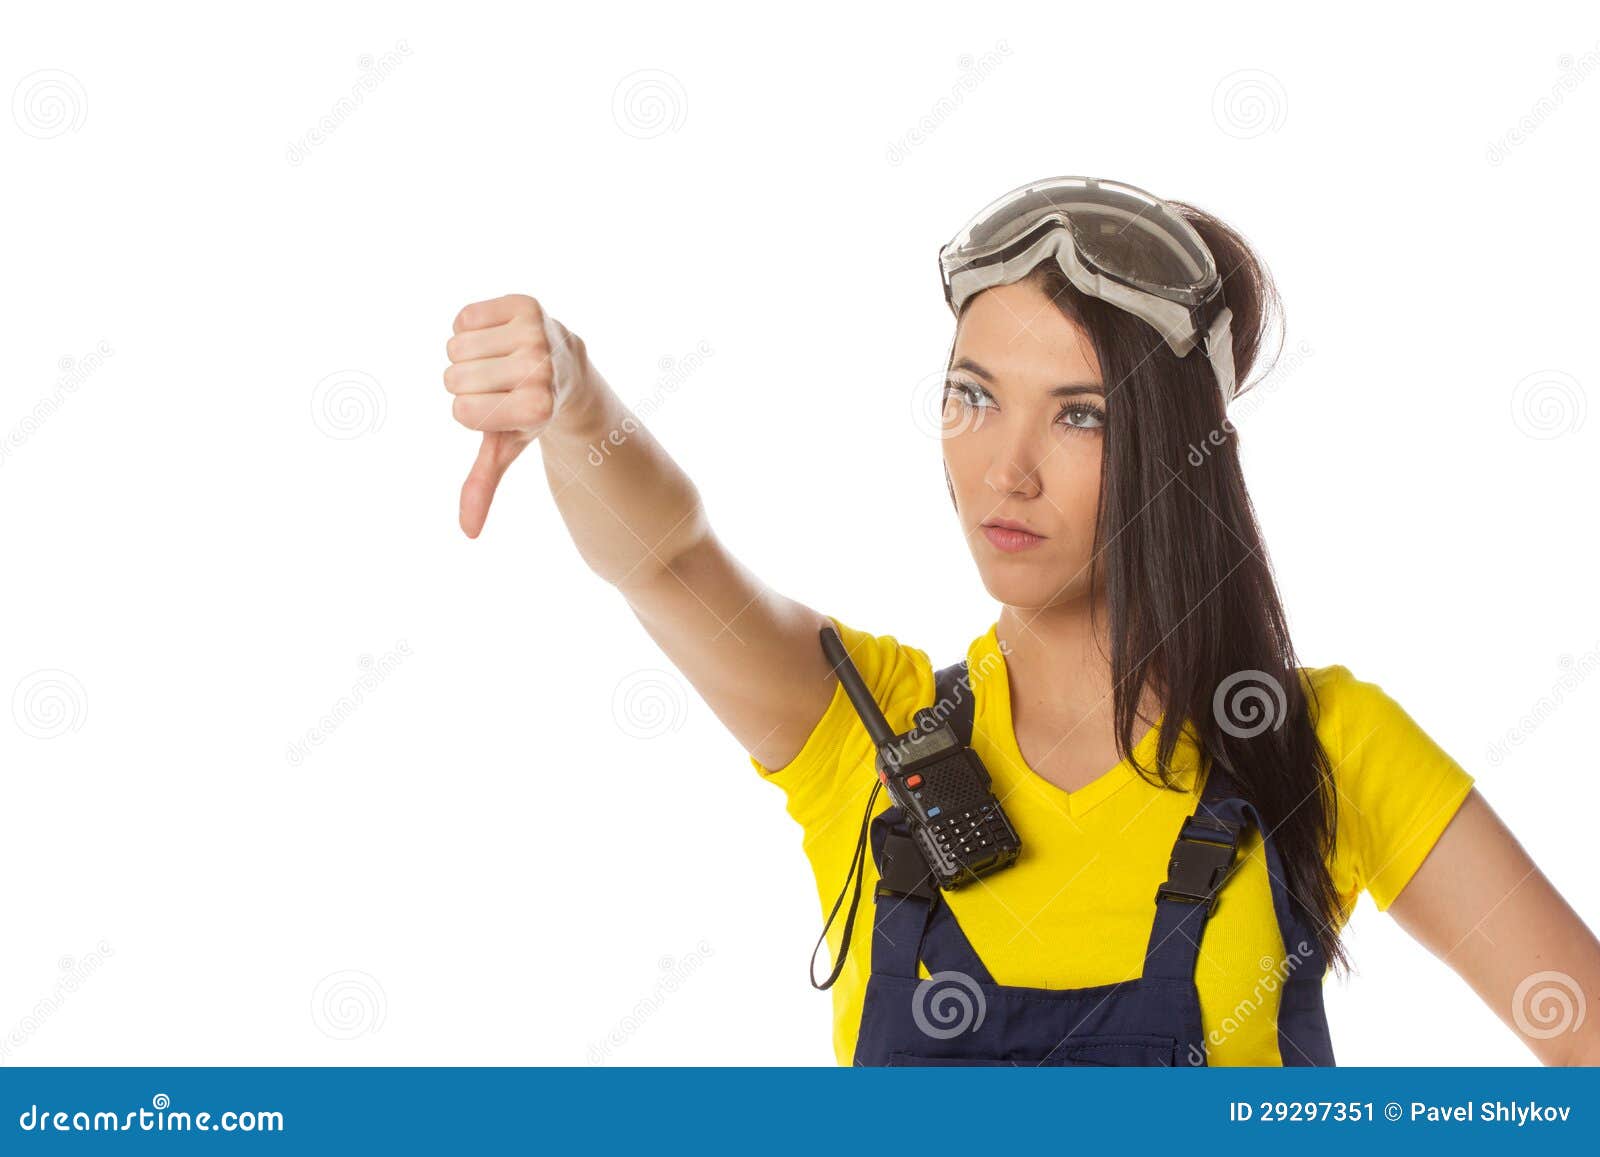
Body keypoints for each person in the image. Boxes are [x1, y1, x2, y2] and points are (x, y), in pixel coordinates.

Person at [439, 176, 1600, 1067]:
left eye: (1080, 416)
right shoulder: (868, 733)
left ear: (1179, 453)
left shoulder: (1318, 749)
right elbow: (666, 556)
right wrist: (575, 401)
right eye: (974, 396)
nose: (1007, 470)